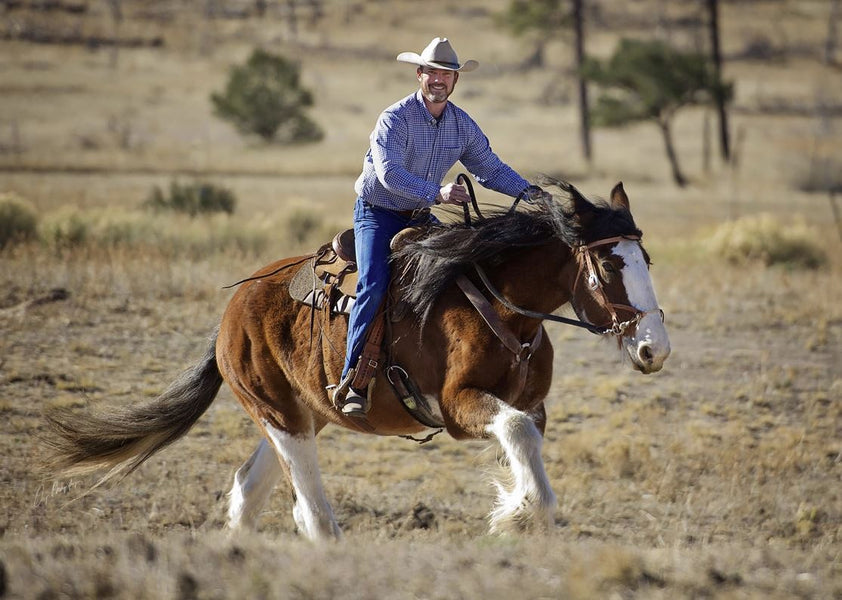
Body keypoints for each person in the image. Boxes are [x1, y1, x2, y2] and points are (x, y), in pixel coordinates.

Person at [333, 37, 538, 417]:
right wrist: (438, 193)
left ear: (456, 80)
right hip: (378, 212)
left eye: (447, 73)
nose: (439, 79)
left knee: (462, 275)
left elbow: (489, 168)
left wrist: (529, 191)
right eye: (432, 72)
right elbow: (389, 174)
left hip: (420, 214)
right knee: (374, 283)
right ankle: (353, 381)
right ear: (419, 74)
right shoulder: (394, 118)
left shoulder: (462, 125)